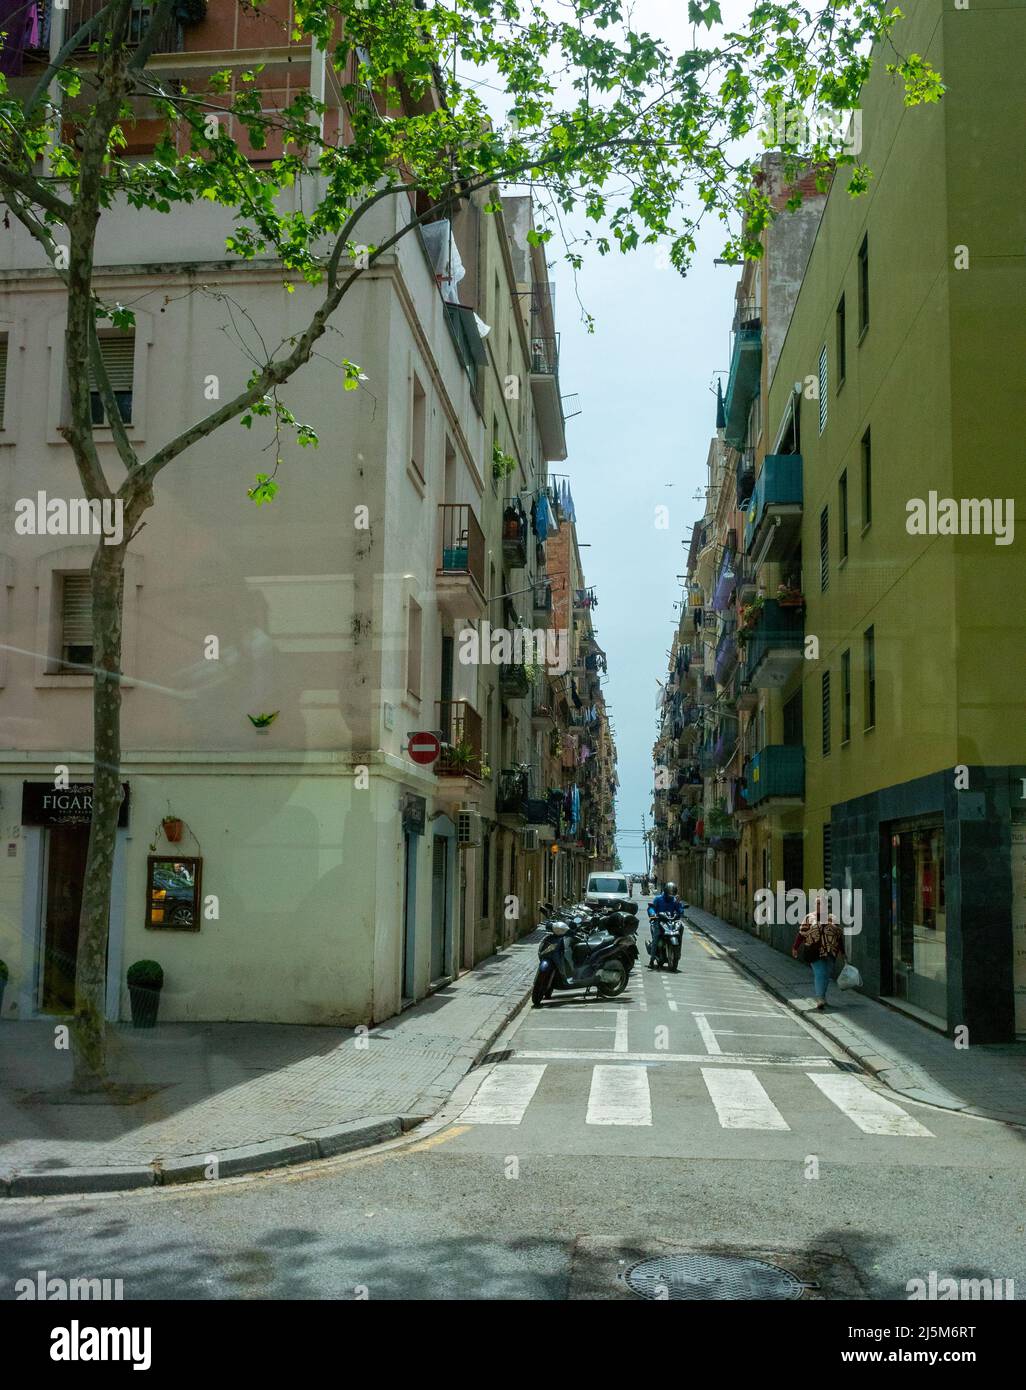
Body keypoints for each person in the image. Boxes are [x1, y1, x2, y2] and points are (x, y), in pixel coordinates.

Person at [792, 897, 846, 1010]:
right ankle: (819, 998)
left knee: (826, 975)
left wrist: (842, 952)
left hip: (831, 952)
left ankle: (823, 996)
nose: (820, 905)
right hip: (814, 952)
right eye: (817, 903)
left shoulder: (832, 919)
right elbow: (801, 934)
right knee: (820, 973)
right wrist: (795, 948)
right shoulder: (809, 918)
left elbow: (839, 937)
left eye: (823, 903)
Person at [647, 880, 685, 967]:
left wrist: (680, 907)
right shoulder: (658, 899)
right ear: (666, 891)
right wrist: (653, 914)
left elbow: (679, 909)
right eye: (670, 893)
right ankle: (652, 960)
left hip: (671, 922)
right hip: (659, 921)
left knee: (681, 927)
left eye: (673, 893)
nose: (671, 896)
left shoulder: (674, 900)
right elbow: (651, 908)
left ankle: (678, 951)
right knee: (656, 937)